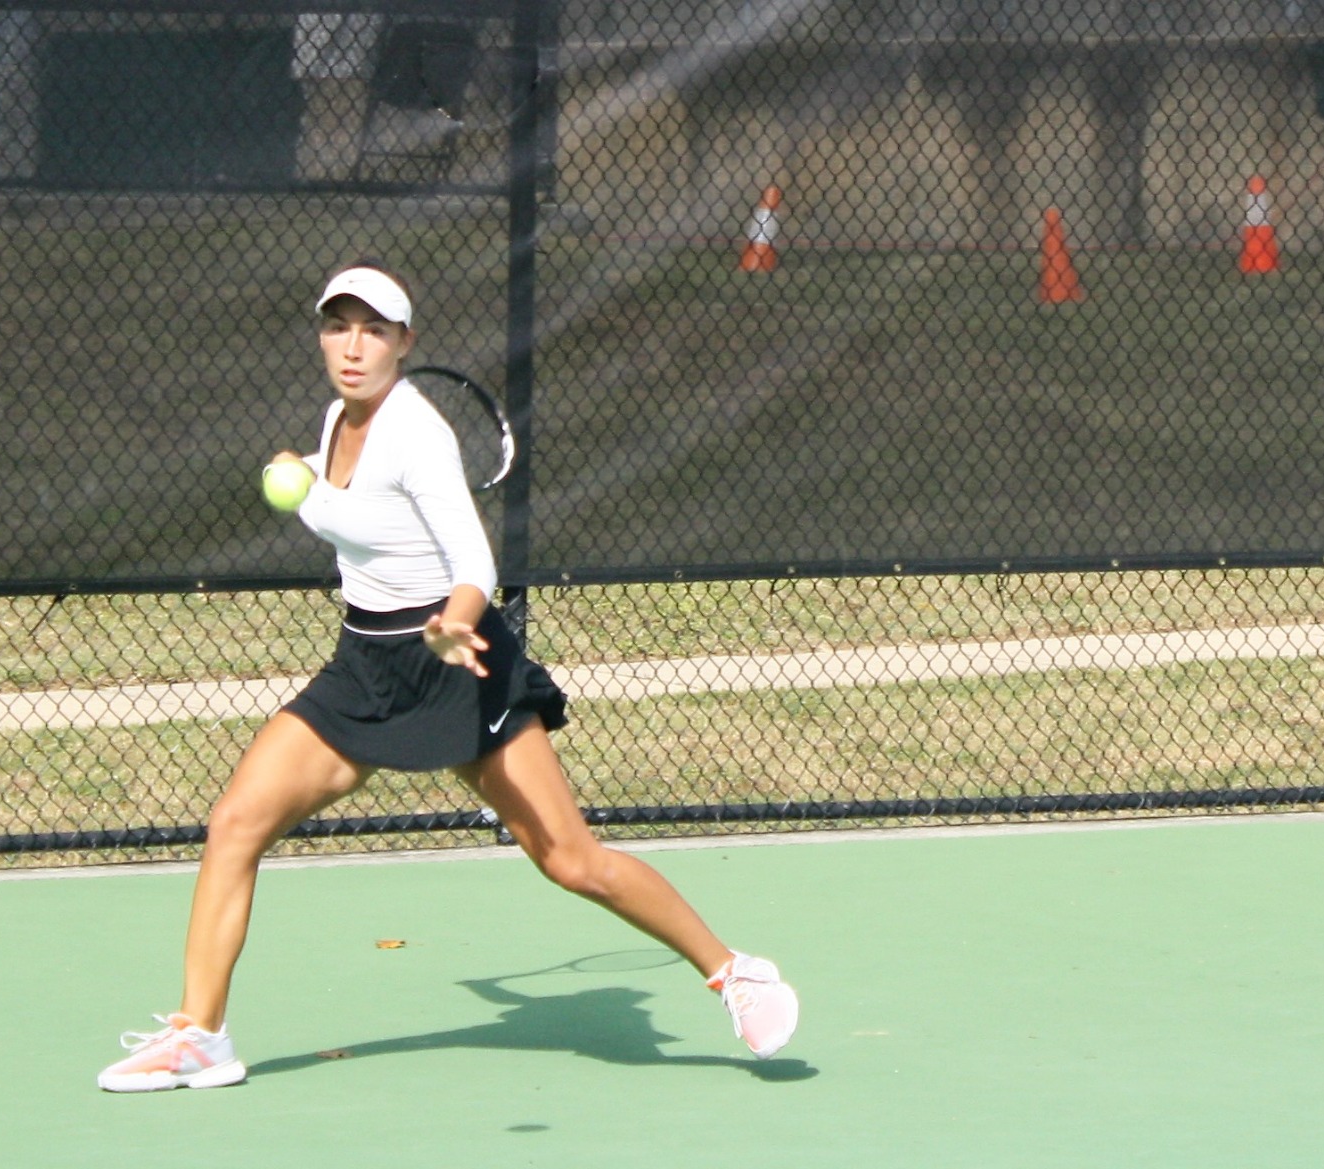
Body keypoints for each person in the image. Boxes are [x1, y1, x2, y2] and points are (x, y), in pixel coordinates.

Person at [96, 262, 799, 1093]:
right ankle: (199, 1034)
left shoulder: (417, 435)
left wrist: (458, 617)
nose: (353, 347)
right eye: (338, 326)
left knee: (572, 861)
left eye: (373, 330)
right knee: (237, 820)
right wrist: (305, 489)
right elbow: (359, 525)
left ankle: (734, 972)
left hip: (460, 664)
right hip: (366, 666)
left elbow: (472, 561)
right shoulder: (333, 420)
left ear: (405, 343)